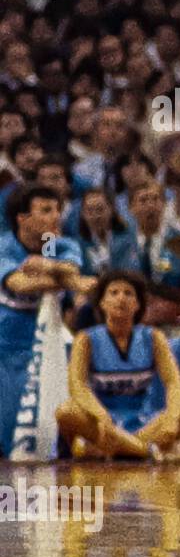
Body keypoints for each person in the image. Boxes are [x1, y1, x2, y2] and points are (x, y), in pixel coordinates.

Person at [56, 270, 180, 460]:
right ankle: (147, 451)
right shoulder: (85, 339)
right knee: (66, 412)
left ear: (137, 304)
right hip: (104, 420)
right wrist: (100, 415)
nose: (121, 298)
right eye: (113, 292)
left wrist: (172, 419)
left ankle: (110, 450)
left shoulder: (153, 337)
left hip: (144, 420)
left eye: (128, 293)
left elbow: (173, 382)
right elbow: (77, 386)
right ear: (102, 302)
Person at [1, 185, 96, 458]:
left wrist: (47, 266)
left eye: (57, 210)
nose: (55, 216)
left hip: (52, 344)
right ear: (23, 219)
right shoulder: (5, 246)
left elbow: (71, 270)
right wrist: (65, 279)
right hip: (9, 347)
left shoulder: (60, 244)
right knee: (14, 439)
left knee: (55, 431)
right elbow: (19, 284)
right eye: (45, 210)